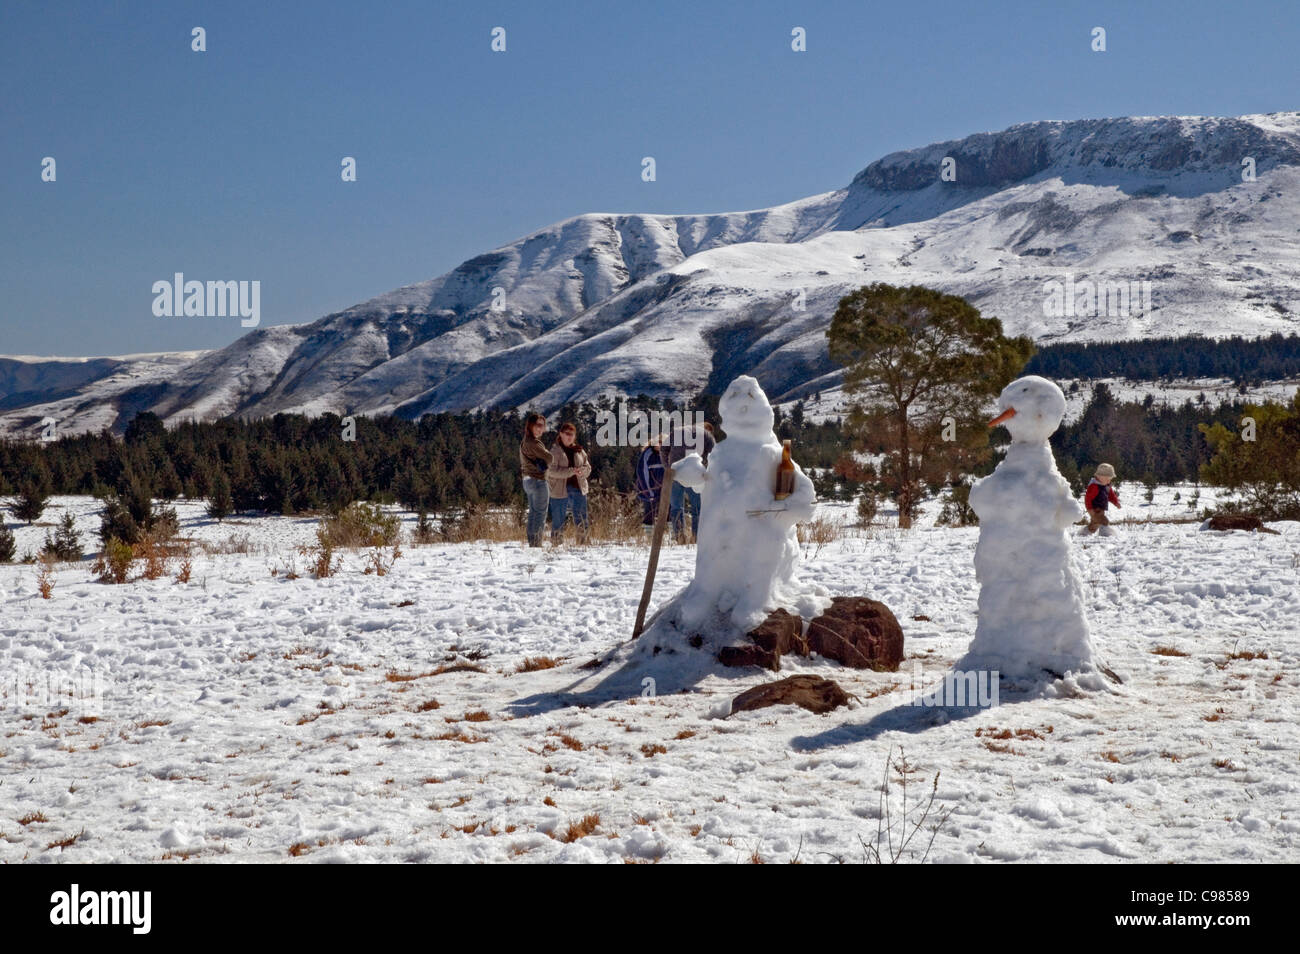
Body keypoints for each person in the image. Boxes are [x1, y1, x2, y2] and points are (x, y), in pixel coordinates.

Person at [661, 421, 714, 541]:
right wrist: (707, 470)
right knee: (697, 509)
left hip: (675, 473)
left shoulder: (677, 431)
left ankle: (680, 538)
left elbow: (663, 450)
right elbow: (715, 455)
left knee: (676, 507)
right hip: (695, 474)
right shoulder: (706, 435)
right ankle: (696, 538)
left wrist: (668, 468)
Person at [548, 423, 592, 544]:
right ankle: (556, 544)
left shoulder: (579, 450)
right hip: (559, 490)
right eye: (567, 434)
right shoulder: (555, 451)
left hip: (579, 488)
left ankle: (583, 543)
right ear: (561, 434)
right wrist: (571, 471)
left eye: (572, 434)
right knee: (558, 519)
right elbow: (551, 471)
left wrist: (582, 471)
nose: (570, 437)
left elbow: (588, 467)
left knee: (582, 518)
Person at [519, 412, 551, 547]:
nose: (540, 428)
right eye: (538, 425)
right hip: (537, 481)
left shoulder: (525, 441)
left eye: (542, 426)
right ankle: (536, 543)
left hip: (527, 480)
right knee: (540, 514)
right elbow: (550, 458)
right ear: (530, 425)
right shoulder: (534, 442)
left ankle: (532, 542)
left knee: (533, 512)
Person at [634, 435, 666, 532]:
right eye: (657, 443)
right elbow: (642, 473)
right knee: (649, 512)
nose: (659, 445)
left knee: (668, 511)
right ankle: (649, 536)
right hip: (649, 488)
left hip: (664, 489)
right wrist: (648, 492)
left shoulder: (667, 453)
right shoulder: (647, 454)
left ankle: (671, 536)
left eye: (661, 443)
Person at [1084, 462, 1121, 535]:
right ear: (1099, 477)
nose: (1109, 481)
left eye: (1110, 479)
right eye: (1107, 479)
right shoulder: (1094, 486)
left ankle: (1085, 533)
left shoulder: (1106, 486)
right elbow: (1087, 499)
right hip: (1095, 510)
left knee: (1095, 524)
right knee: (1104, 521)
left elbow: (1111, 495)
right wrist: (1090, 510)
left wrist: (1116, 502)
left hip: (1101, 509)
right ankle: (1106, 534)